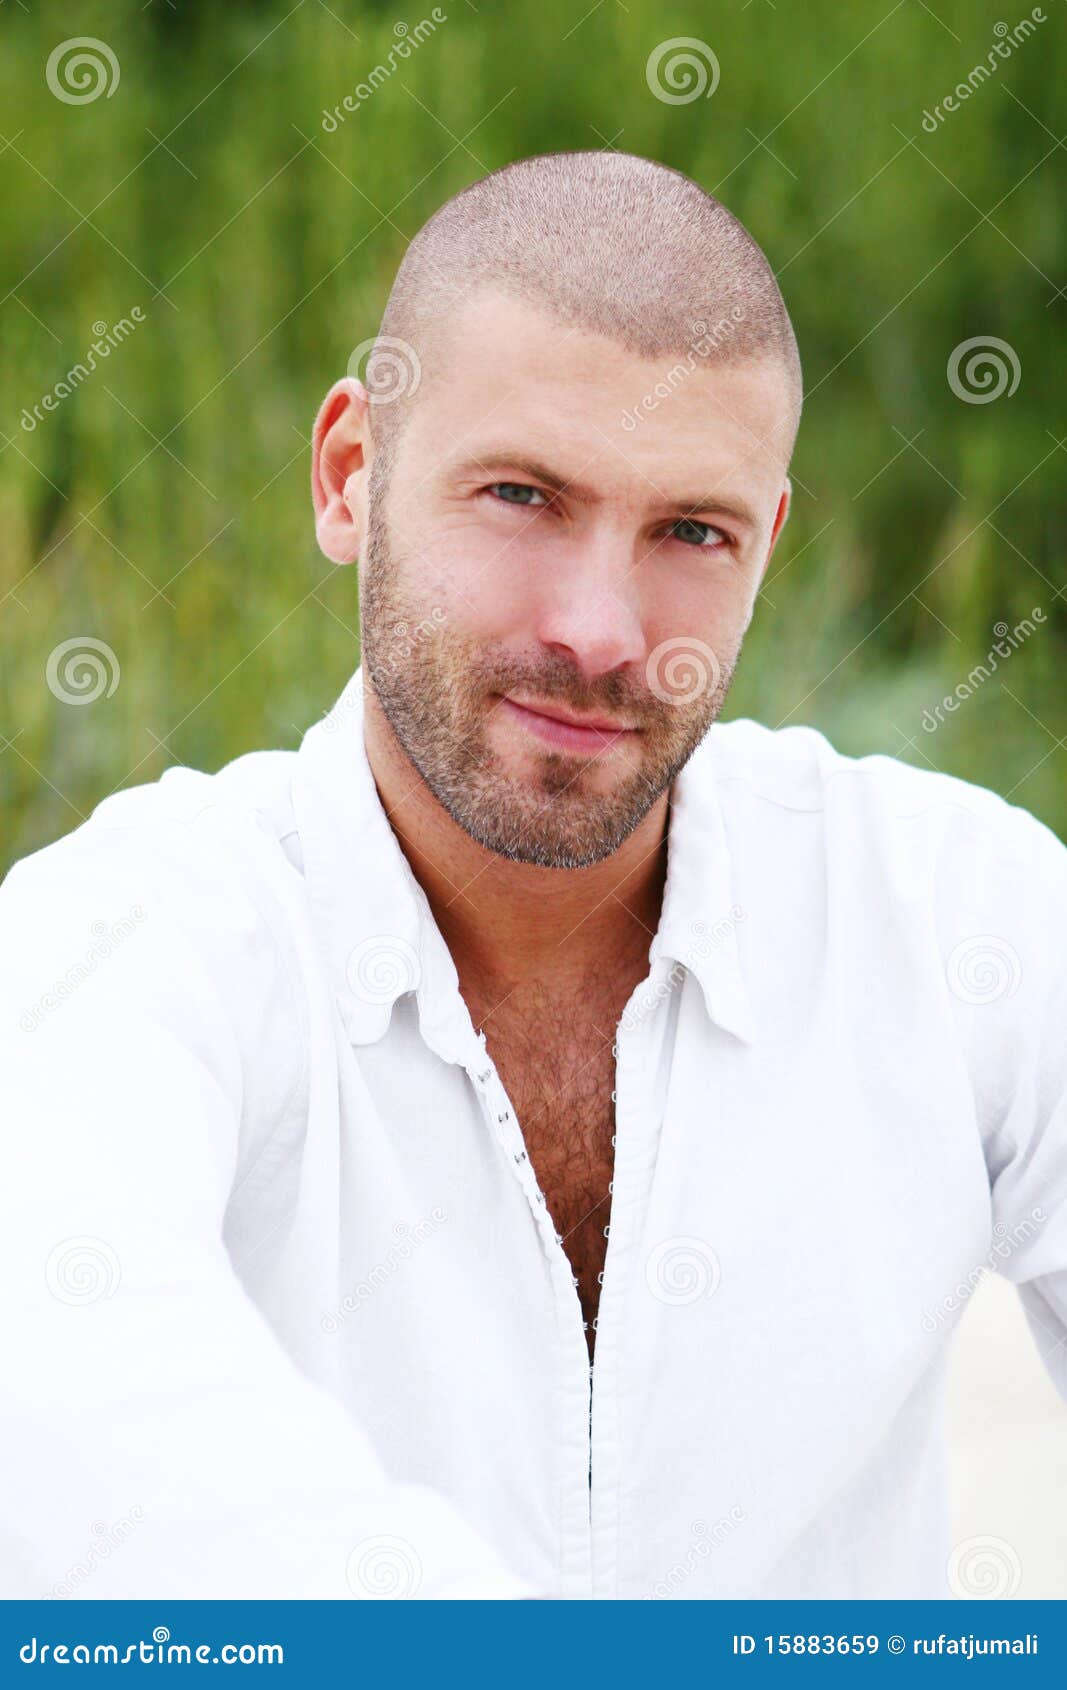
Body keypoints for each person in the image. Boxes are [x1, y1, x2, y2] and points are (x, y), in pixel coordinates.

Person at [1, 150, 1064, 1602]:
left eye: (693, 531)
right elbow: (74, 1407)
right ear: (347, 478)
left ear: (770, 545)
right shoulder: (125, 939)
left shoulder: (957, 916)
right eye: (521, 496)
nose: (602, 630)